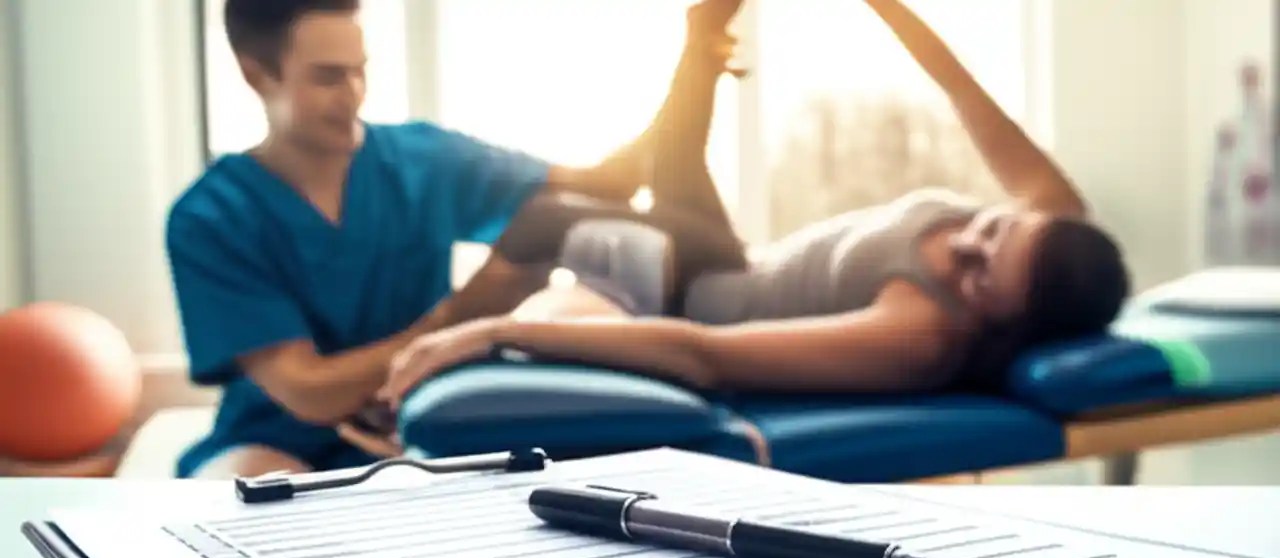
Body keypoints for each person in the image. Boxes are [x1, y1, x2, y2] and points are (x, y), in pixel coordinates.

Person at [371, 0, 1132, 431]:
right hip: (726, 257)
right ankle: (699, 47)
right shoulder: (1054, 228)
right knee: (663, 158)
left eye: (979, 273)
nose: (969, 240)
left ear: (1003, 324)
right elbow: (964, 91)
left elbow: (708, 356)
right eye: (993, 225)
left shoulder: (918, 334)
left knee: (546, 221)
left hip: (685, 291)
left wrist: (495, 330)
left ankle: (402, 365)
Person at [167, 0, 668, 478]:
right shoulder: (211, 216)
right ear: (256, 73)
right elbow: (309, 393)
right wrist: (462, 316)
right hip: (274, 440)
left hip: (422, 425)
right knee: (253, 493)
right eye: (328, 77)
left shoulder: (425, 159)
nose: (354, 93)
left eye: (360, 69)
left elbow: (608, 182)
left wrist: (695, 66)